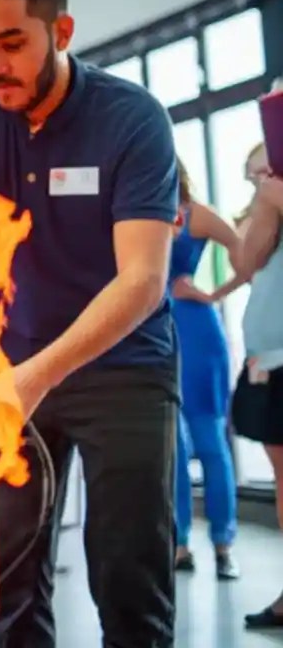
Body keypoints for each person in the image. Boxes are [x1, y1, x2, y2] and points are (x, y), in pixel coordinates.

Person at [0, 0, 182, 647]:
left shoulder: (132, 120)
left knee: (129, 577)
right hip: (11, 371)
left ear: (60, 30)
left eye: (12, 44)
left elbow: (142, 281)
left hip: (124, 370)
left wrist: (36, 376)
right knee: (10, 583)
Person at [167, 161, 248, 579]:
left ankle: (223, 544)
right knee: (172, 450)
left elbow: (247, 253)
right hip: (155, 337)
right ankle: (179, 543)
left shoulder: (196, 214)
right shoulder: (139, 210)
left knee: (211, 444)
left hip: (197, 334)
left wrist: (213, 294)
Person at [231, 141, 283, 628]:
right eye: (252, 176)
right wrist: (267, 197)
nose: (258, 181)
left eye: (263, 172)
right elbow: (247, 265)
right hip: (268, 355)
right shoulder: (267, 203)